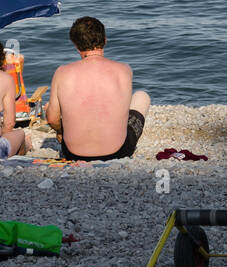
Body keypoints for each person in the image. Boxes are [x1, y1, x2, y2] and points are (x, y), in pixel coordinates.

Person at [46, 17, 151, 161]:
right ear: (105, 40)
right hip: (119, 153)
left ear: (76, 45)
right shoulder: (124, 70)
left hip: (73, 154)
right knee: (141, 96)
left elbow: (52, 119)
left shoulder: (62, 72)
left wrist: (60, 132)